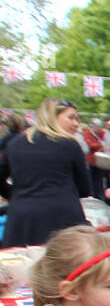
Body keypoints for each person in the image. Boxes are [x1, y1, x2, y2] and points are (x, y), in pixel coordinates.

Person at [0, 99, 90, 246]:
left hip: (23, 217)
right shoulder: (69, 145)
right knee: (66, 264)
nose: (76, 123)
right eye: (71, 117)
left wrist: (17, 195)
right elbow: (84, 189)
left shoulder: (15, 143)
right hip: (63, 216)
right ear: (52, 116)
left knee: (23, 264)